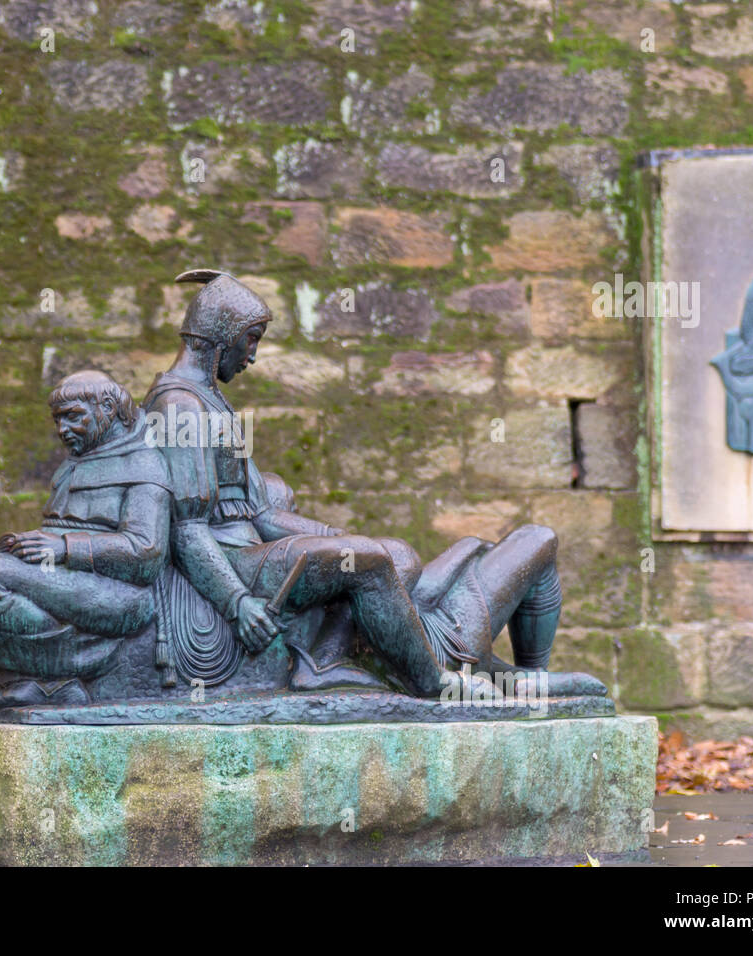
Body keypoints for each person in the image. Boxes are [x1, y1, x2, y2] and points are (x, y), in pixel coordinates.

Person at [142, 270, 568, 698]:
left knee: (388, 553)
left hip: (251, 544)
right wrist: (237, 603)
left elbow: (262, 513)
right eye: (251, 339)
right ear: (222, 333)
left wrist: (338, 538)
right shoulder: (179, 405)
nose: (251, 357)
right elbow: (188, 530)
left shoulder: (209, 399)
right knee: (370, 561)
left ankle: (322, 661)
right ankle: (433, 683)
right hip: (235, 559)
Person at [0, 371, 171, 708]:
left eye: (73, 417)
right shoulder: (75, 463)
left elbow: (146, 553)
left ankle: (53, 681)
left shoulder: (144, 463)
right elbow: (55, 528)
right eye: (58, 420)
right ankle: (24, 675)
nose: (62, 430)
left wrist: (65, 547)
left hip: (118, 591)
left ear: (108, 407)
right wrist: (12, 549)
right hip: (66, 575)